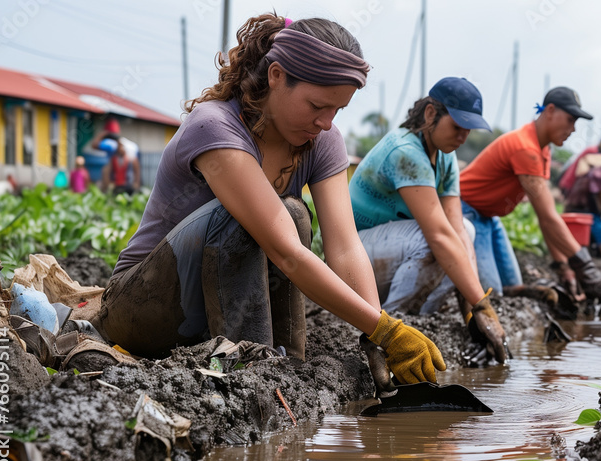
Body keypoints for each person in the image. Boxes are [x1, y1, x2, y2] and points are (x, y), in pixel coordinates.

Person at [96, 14, 444, 388]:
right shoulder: (215, 126)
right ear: (276, 75)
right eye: (316, 105)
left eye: (337, 110)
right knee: (259, 219)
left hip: (209, 320)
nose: (326, 122)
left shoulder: (323, 141)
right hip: (143, 310)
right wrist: (387, 330)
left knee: (293, 212)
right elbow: (287, 253)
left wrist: (375, 333)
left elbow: (344, 247)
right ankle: (255, 376)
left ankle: (282, 370)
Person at [349, 77, 507, 362]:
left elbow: (457, 230)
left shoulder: (445, 157)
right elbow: (439, 235)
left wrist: (474, 311)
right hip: (351, 259)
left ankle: (420, 321)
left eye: (468, 130)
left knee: (465, 233)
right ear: (431, 114)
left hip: (387, 258)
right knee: (433, 239)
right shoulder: (405, 152)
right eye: (457, 126)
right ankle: (390, 327)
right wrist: (483, 305)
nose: (462, 137)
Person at [458, 86, 601, 305]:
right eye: (570, 120)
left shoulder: (543, 150)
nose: (573, 129)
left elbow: (546, 219)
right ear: (550, 110)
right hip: (465, 211)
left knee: (513, 285)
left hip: (489, 217)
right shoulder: (525, 148)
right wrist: (585, 267)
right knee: (493, 294)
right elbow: (548, 217)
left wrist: (564, 266)